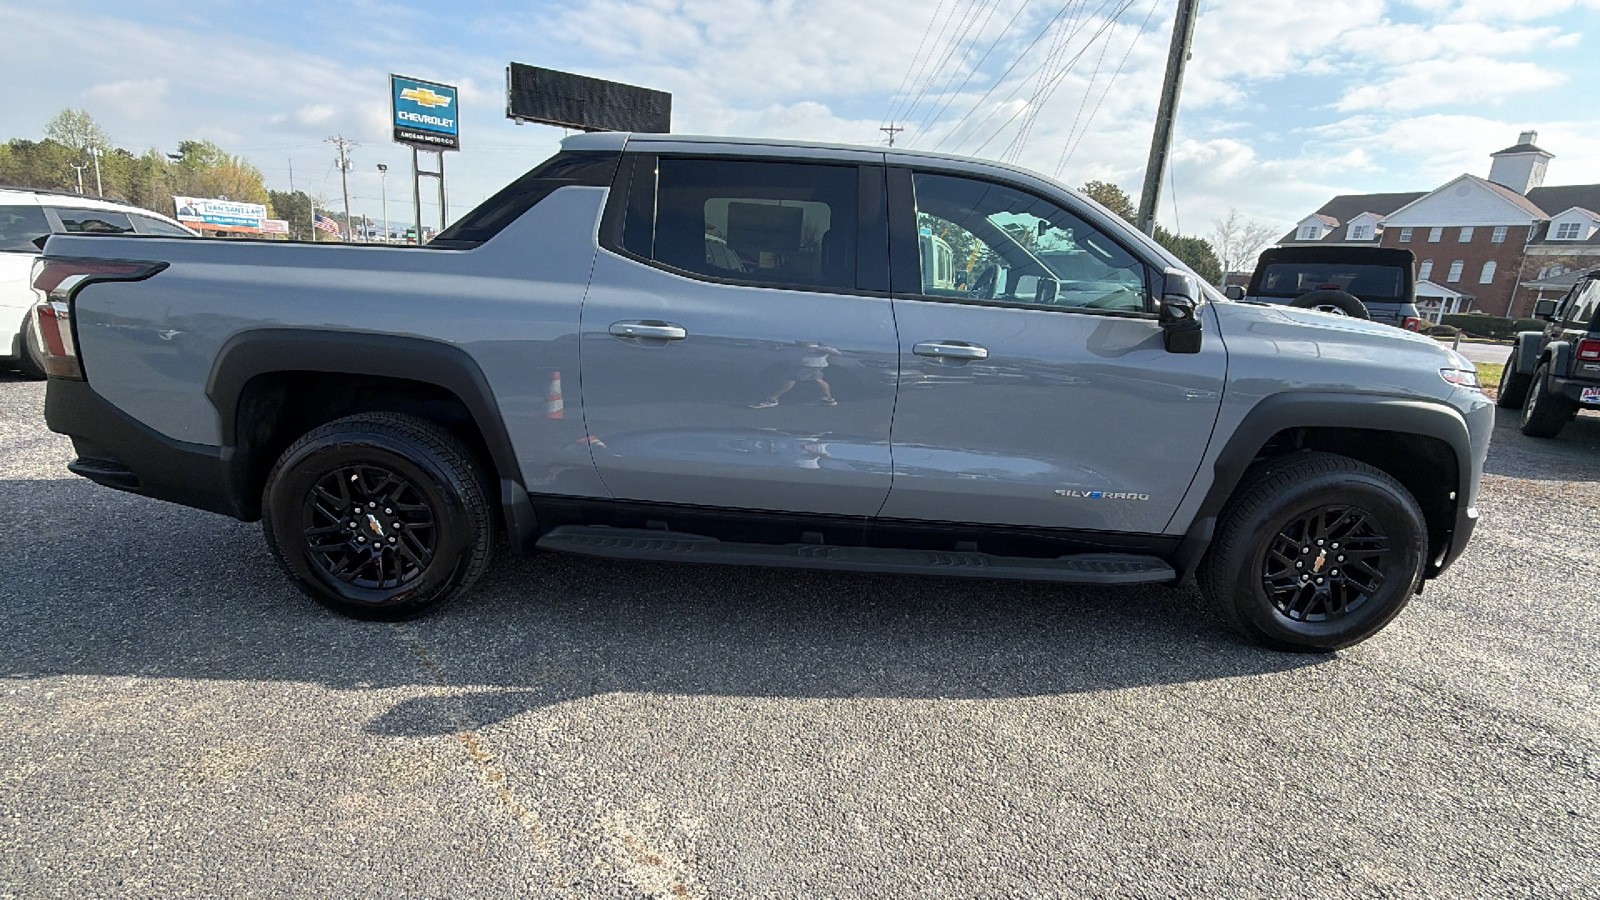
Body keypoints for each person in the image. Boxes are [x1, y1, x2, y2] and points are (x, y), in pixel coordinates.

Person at [750, 341, 839, 408]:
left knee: (789, 379)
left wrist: (814, 347)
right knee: (817, 379)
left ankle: (772, 399)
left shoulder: (820, 344)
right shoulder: (799, 342)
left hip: (805, 365)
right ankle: (827, 399)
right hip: (810, 364)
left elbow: (835, 351)